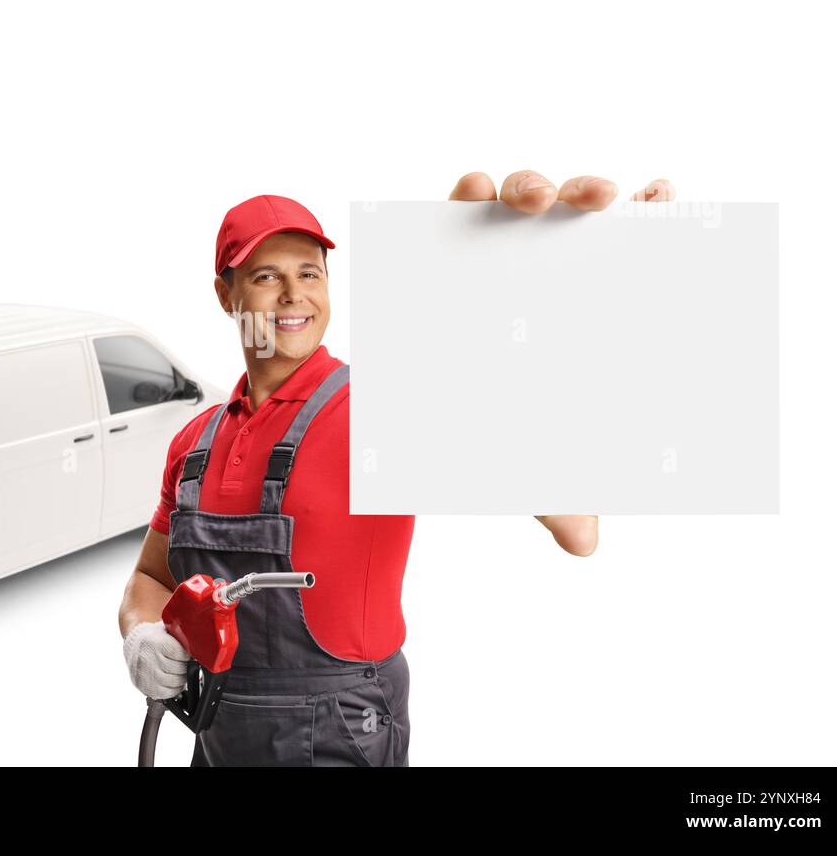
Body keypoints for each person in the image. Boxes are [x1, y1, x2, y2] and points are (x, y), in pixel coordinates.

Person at [118, 171, 676, 766]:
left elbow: (577, 525)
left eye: (310, 273)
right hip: (218, 735)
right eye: (265, 276)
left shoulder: (383, 410)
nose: (292, 294)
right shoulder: (193, 445)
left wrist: (594, 288)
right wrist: (141, 632)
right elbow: (151, 578)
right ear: (225, 295)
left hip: (340, 736)